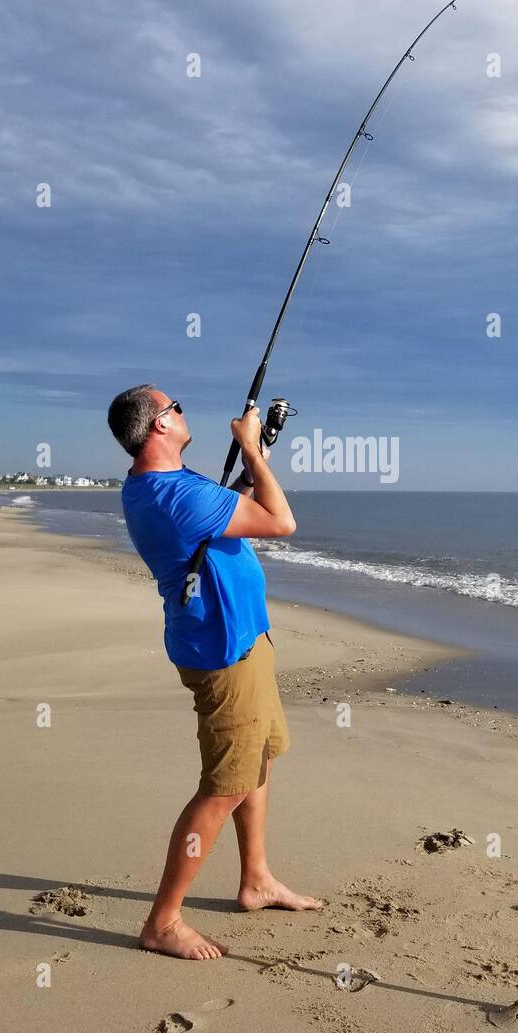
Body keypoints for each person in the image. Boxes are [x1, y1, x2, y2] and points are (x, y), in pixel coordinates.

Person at [106, 384, 322, 961]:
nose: (182, 410)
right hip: (224, 655)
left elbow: (233, 512)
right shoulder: (173, 496)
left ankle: (256, 879)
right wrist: (249, 447)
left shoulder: (169, 484)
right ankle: (163, 921)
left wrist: (259, 455)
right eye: (174, 407)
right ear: (158, 426)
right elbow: (281, 522)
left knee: (257, 758)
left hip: (244, 638)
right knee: (224, 785)